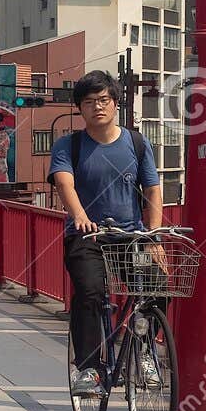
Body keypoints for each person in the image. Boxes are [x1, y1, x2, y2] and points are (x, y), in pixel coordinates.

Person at [48, 69, 162, 393]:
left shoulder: (136, 143)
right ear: (80, 108)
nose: (97, 106)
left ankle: (143, 351)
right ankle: (88, 368)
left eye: (103, 100)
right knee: (90, 292)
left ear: (115, 103)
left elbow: (153, 190)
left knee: (156, 286)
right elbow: (64, 183)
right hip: (87, 237)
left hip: (130, 237)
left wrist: (153, 236)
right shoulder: (68, 145)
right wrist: (80, 216)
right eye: (89, 102)